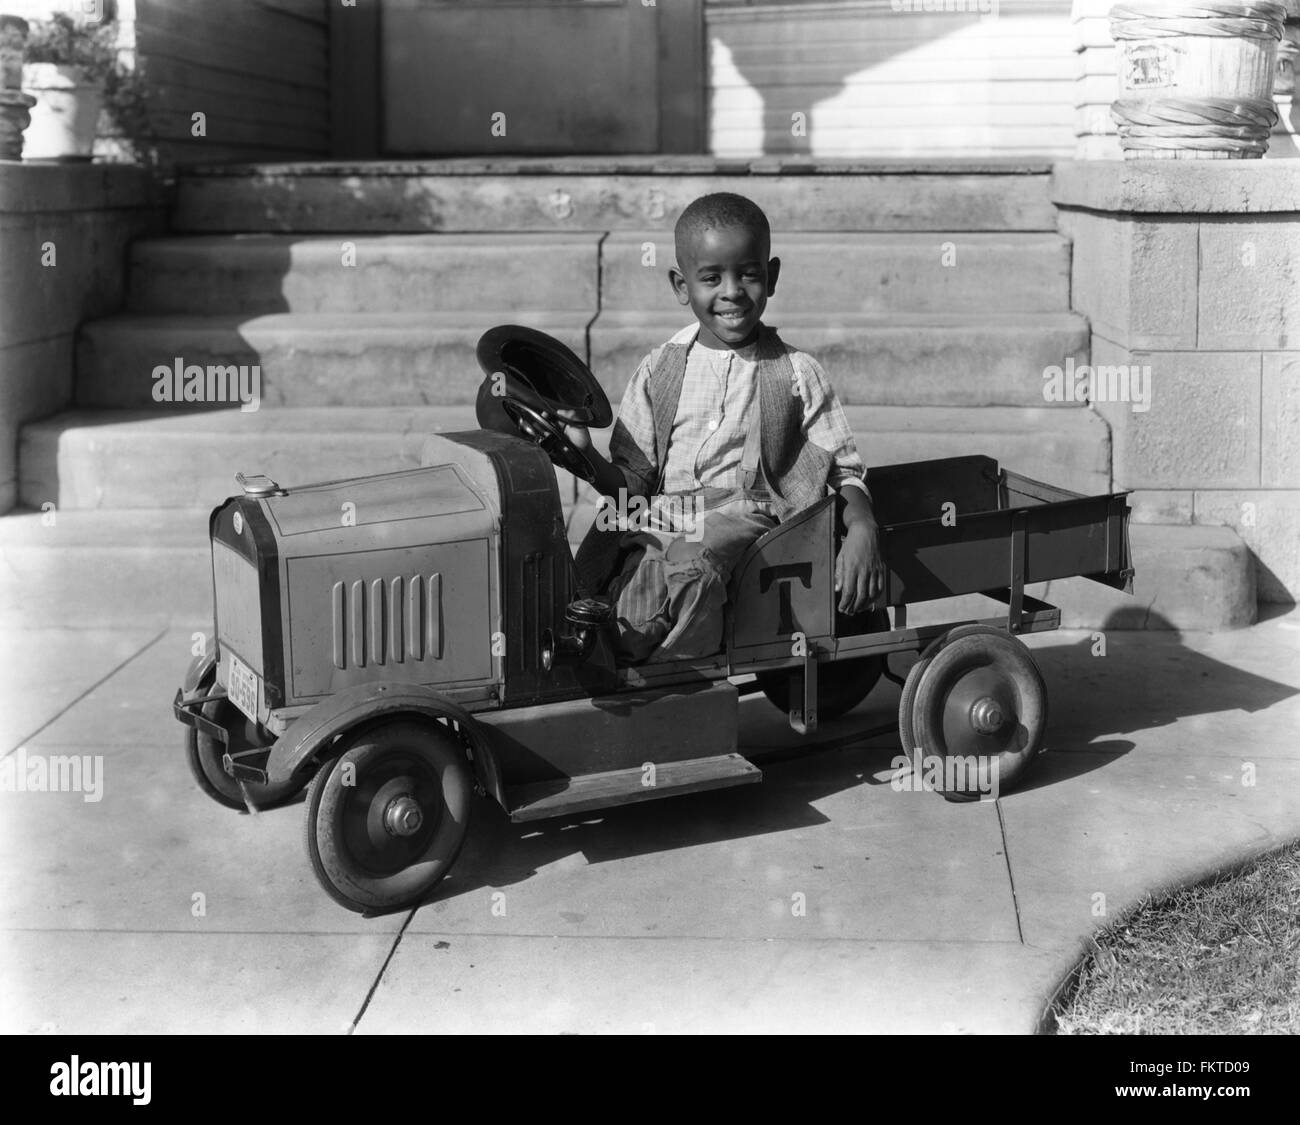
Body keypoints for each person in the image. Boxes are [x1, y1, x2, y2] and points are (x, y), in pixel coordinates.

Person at [562, 192, 884, 663]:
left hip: (745, 513)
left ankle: (687, 677)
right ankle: (624, 670)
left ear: (771, 277)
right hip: (662, 517)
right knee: (633, 587)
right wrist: (584, 454)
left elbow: (843, 470)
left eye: (748, 274)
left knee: (691, 566)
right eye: (711, 278)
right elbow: (631, 480)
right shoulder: (659, 370)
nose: (731, 291)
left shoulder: (795, 371)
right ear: (681, 285)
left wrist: (863, 529)